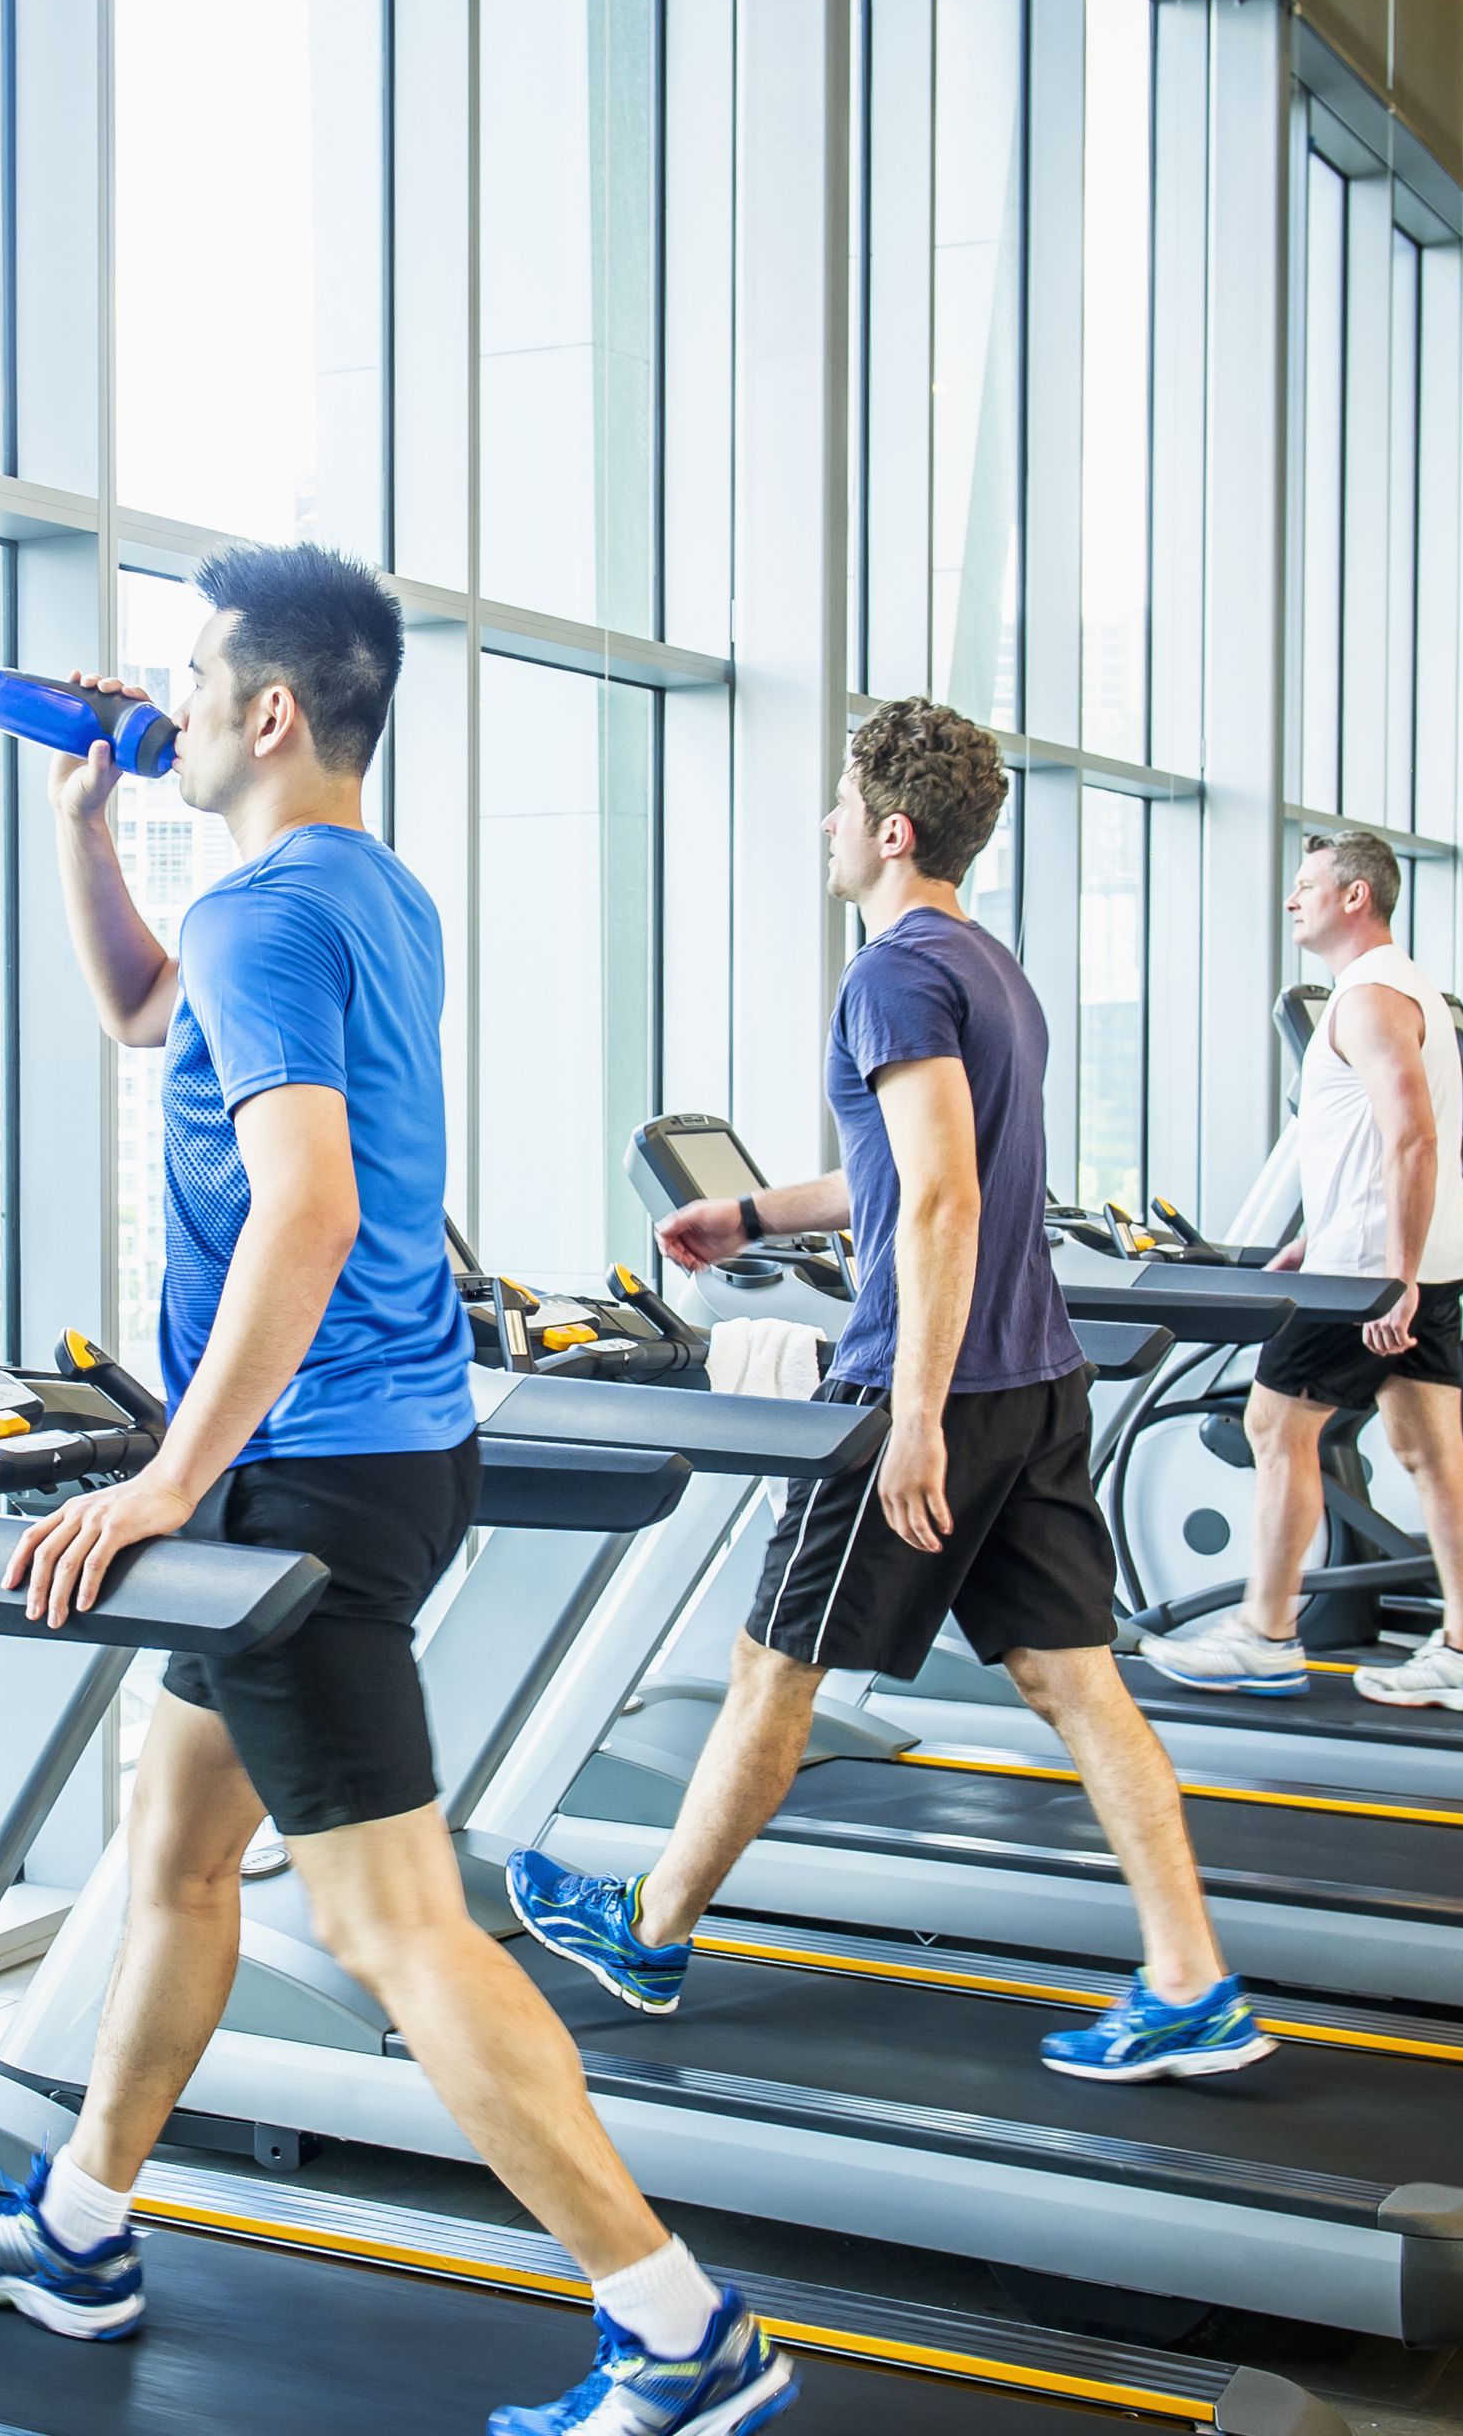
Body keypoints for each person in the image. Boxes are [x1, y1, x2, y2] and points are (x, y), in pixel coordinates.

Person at [0, 545, 795, 2436]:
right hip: (381, 1447)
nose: (172, 704)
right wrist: (82, 826)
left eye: (196, 679)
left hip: (300, 1469)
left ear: (269, 712)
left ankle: (673, 2327)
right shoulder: (356, 894)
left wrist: (166, 1479)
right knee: (176, 1851)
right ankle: (78, 2226)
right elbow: (146, 1021)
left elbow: (299, 1207)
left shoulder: (263, 915)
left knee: (394, 1924)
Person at [502, 699, 1271, 2088]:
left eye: (842, 804)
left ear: (891, 829)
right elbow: (896, 1169)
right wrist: (746, 1211)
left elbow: (937, 1195)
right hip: (1037, 1375)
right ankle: (1189, 1976)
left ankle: (654, 1933)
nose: (826, 825)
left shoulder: (893, 976)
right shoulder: (987, 966)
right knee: (1075, 1682)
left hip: (940, 1387)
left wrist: (910, 1412)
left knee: (772, 1662)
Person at [1136, 836, 1463, 1712]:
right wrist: (1323, 1233)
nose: (1291, 901)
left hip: (1371, 1273)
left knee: (1274, 1427)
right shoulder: (1398, 986)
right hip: (1403, 1256)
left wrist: (1389, 1274)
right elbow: (1374, 1144)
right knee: (1428, 1448)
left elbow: (1412, 1137)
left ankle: (1265, 1634)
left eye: (1305, 888)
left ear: (1353, 897)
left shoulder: (1371, 997)